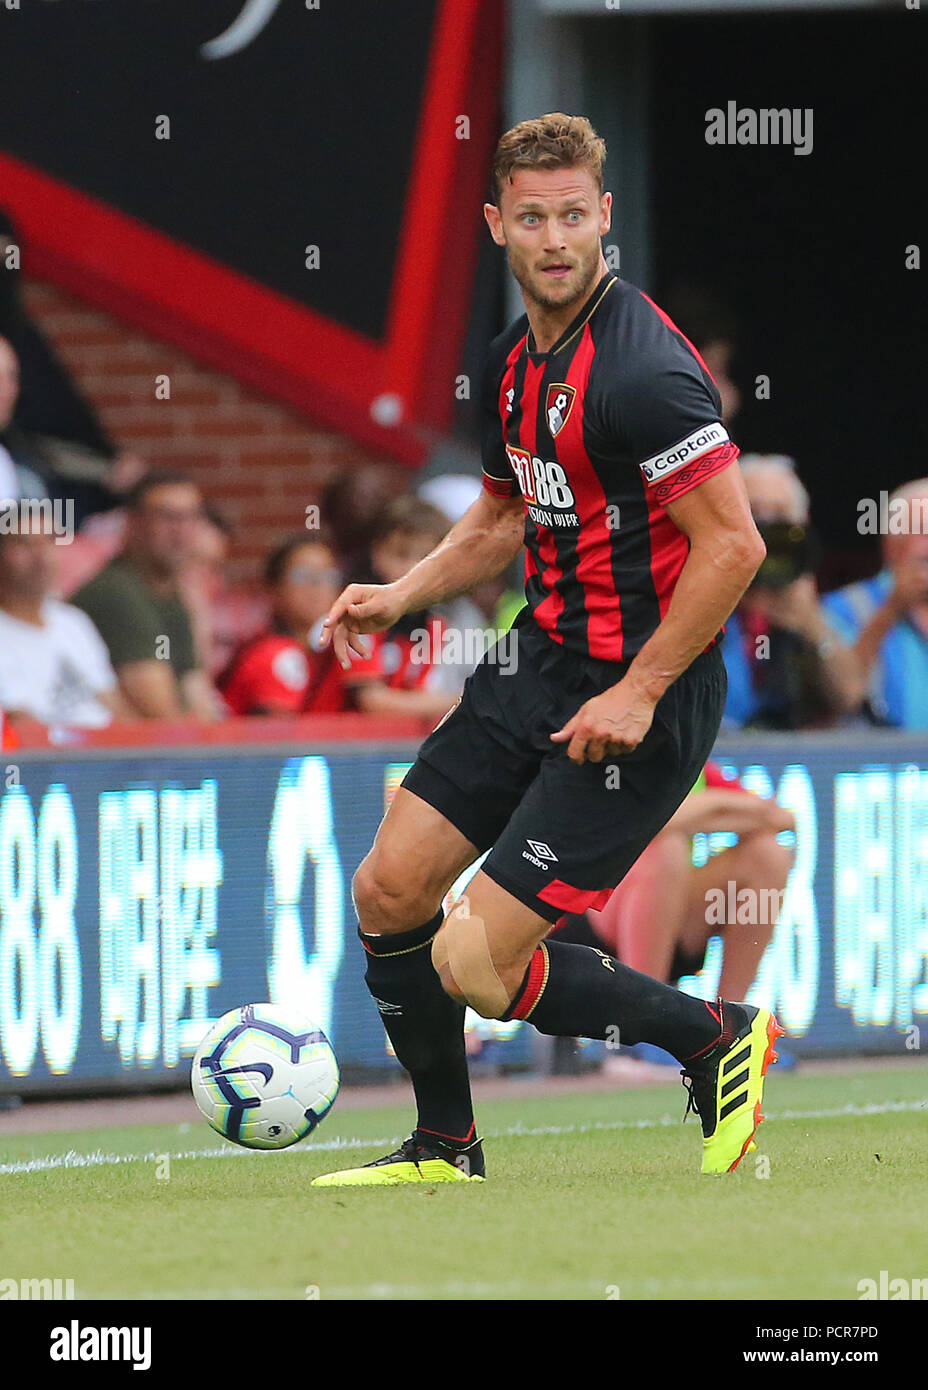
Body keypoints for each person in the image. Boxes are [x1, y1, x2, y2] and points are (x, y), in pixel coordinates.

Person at [312, 113, 782, 1187]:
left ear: (605, 217)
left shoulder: (645, 372)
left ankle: (710, 1033)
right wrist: (398, 595)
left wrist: (640, 687)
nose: (557, 237)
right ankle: (444, 1145)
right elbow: (496, 518)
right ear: (498, 227)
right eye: (533, 218)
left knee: (475, 961)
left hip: (638, 695)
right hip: (535, 663)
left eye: (575, 215)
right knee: (388, 891)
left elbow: (735, 545)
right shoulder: (512, 363)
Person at [556, 761, 795, 1002]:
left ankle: (728, 1023)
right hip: (584, 917)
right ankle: (645, 1015)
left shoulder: (690, 762)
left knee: (768, 854)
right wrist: (714, 810)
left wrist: (703, 809)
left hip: (670, 918)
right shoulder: (604, 751)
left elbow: (781, 817)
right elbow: (633, 826)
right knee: (664, 849)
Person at [721, 454, 863, 729]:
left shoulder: (824, 605)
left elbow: (849, 696)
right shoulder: (700, 593)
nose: (767, 528)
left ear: (802, 525)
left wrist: (812, 625)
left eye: (780, 515)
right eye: (755, 512)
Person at [72, 472, 218, 718]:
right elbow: (161, 716)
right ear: (133, 523)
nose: (181, 531)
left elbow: (197, 692)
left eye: (191, 517)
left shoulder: (173, 595)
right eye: (167, 517)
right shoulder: (115, 592)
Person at [338, 496, 461, 723]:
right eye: (401, 554)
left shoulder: (437, 626)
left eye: (425, 557)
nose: (413, 569)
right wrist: (462, 701)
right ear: (377, 554)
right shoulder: (359, 617)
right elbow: (373, 702)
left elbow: (419, 696)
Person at [823, 477, 928, 728]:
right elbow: (839, 696)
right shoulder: (844, 607)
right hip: (878, 760)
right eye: (924, 533)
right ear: (891, 545)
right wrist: (891, 610)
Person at [0, 528, 128, 729]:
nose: (41, 557)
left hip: (107, 751)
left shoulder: (73, 621)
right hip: (46, 756)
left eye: (48, 541)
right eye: (24, 543)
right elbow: (21, 725)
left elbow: (112, 704)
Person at [219, 533, 344, 715]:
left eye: (327, 575)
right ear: (274, 591)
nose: (317, 584)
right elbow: (281, 740)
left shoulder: (329, 651)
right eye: (302, 575)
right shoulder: (274, 654)